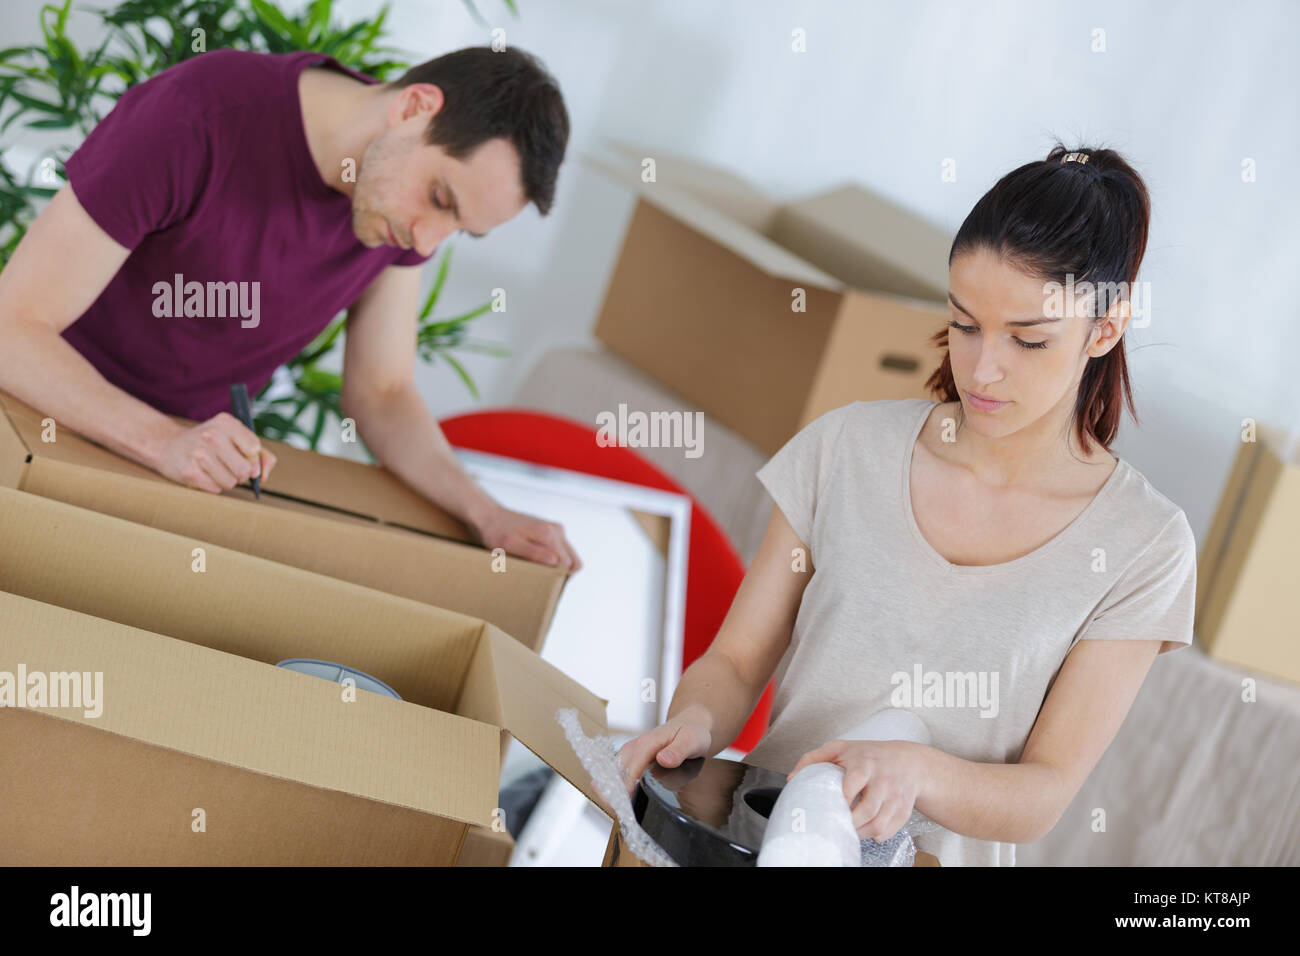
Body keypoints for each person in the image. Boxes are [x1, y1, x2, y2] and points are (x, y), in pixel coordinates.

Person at [615, 145, 1197, 866]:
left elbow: (1043, 793)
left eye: (1028, 339)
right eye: (964, 323)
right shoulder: (848, 447)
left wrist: (913, 771)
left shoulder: (1145, 543)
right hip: (759, 846)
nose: (983, 369)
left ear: (1103, 330)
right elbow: (735, 661)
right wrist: (696, 720)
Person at [0, 45, 581, 571]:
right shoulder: (196, 115)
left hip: (175, 470)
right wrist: (160, 441)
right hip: (36, 421)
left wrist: (488, 515)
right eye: (439, 198)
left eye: (459, 229)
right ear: (413, 108)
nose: (426, 243)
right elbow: (12, 329)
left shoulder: (393, 216)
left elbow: (381, 394)